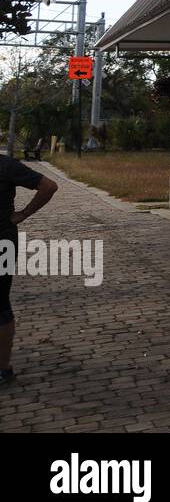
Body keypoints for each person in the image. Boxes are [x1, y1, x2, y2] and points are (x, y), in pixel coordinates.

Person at [0, 156, 58, 388]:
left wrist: (23, 214)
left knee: (0, 304)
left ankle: (2, 369)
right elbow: (49, 186)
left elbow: (49, 186)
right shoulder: (5, 165)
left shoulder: (5, 166)